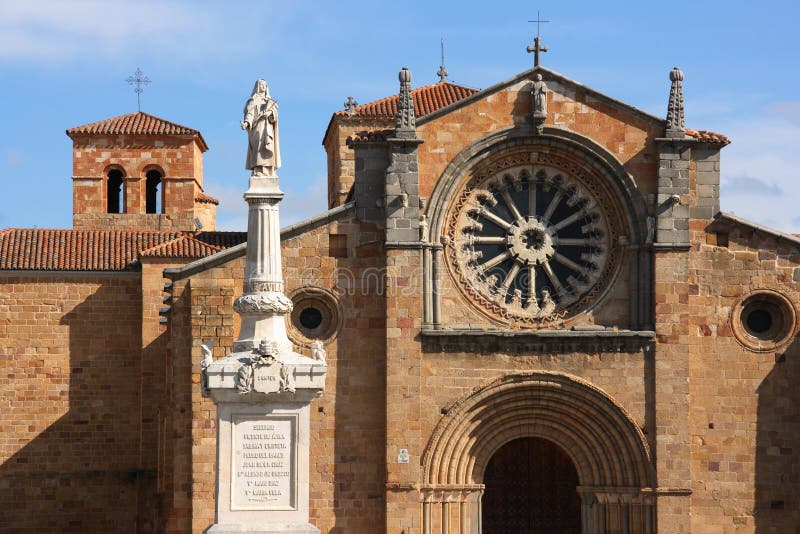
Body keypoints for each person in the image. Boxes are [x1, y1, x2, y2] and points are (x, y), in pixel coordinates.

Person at [241, 79, 281, 176]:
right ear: (257, 87)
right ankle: (258, 169)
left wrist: (269, 113)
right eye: (261, 85)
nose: (263, 87)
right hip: (257, 127)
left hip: (267, 127)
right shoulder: (253, 100)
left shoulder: (270, 101)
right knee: (258, 147)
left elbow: (275, 114)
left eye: (265, 85)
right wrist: (246, 123)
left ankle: (268, 170)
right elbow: (250, 114)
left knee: (268, 145)